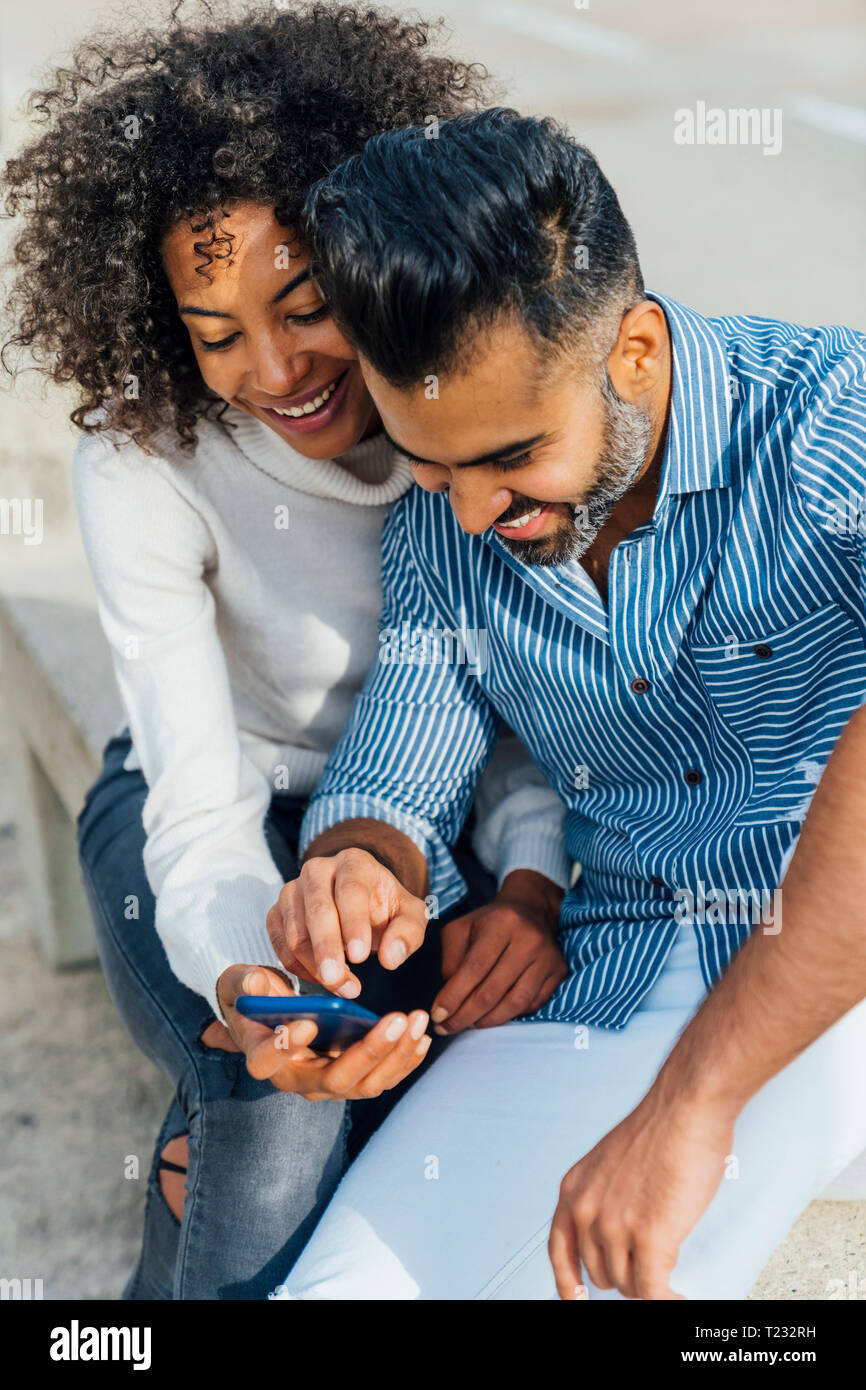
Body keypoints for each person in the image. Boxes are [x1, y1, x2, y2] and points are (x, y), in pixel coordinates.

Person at [1, 17, 572, 1300]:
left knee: (390, 1074)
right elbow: (198, 818)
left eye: (306, 305)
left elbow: (506, 695)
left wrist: (530, 875)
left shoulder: (466, 409)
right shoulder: (145, 459)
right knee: (264, 1079)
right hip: (190, 808)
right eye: (214, 333)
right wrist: (246, 975)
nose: (273, 370)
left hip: (424, 837)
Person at [265, 108, 866, 1300]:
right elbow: (403, 756)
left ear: (632, 351)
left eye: (510, 457)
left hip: (826, 974)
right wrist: (353, 872)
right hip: (608, 972)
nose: (473, 511)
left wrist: (692, 1107)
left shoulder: (827, 425)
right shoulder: (443, 527)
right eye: (432, 464)